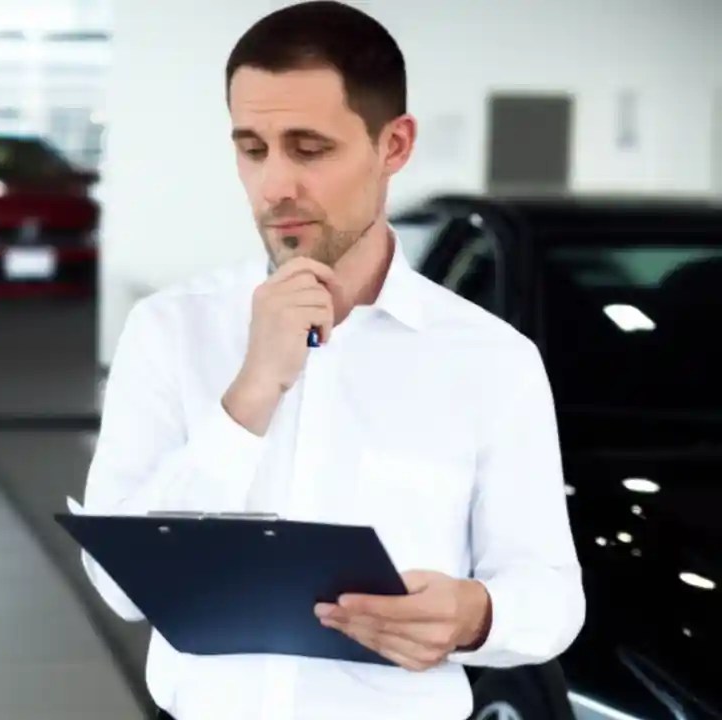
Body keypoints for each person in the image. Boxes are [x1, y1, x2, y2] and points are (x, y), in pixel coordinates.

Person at [78, 2, 585, 718]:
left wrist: (477, 614)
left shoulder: (491, 360)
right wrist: (252, 392)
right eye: (252, 149)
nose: (274, 185)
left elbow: (553, 595)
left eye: (309, 149)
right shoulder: (170, 329)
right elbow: (118, 587)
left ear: (394, 145)